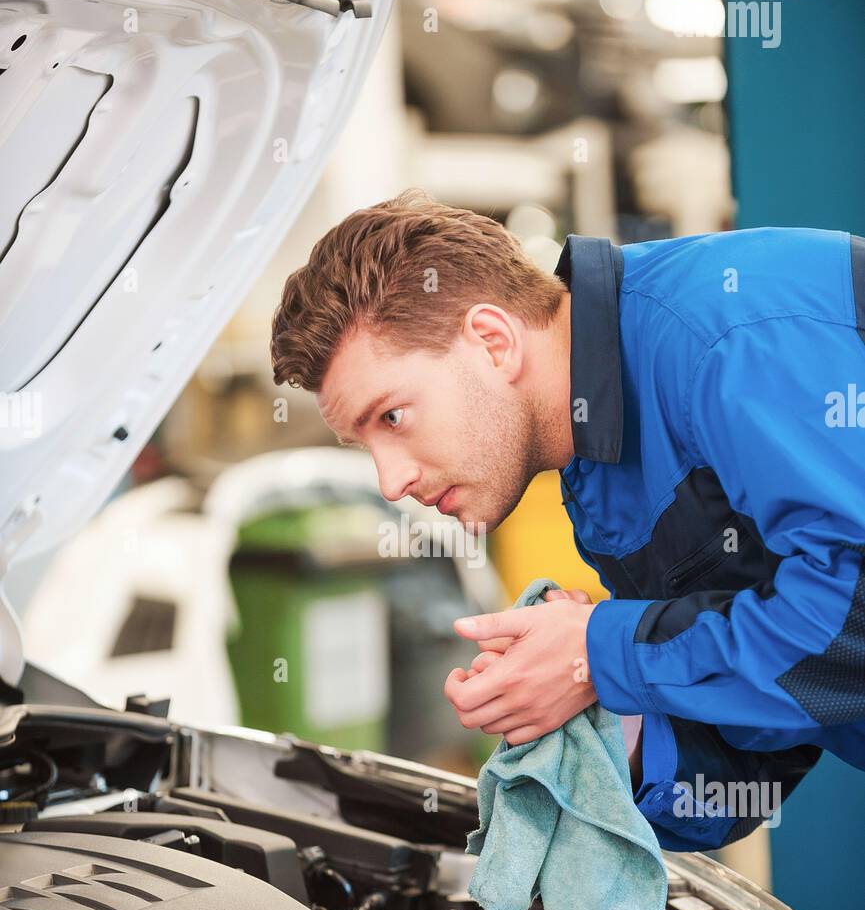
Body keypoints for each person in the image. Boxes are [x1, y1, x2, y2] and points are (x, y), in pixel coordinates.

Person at [270, 191, 865, 852]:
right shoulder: (598, 471)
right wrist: (614, 726)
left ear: (492, 342)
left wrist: (598, 650)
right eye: (364, 445)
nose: (390, 480)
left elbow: (854, 626)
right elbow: (764, 749)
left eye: (393, 418)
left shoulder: (728, 332)